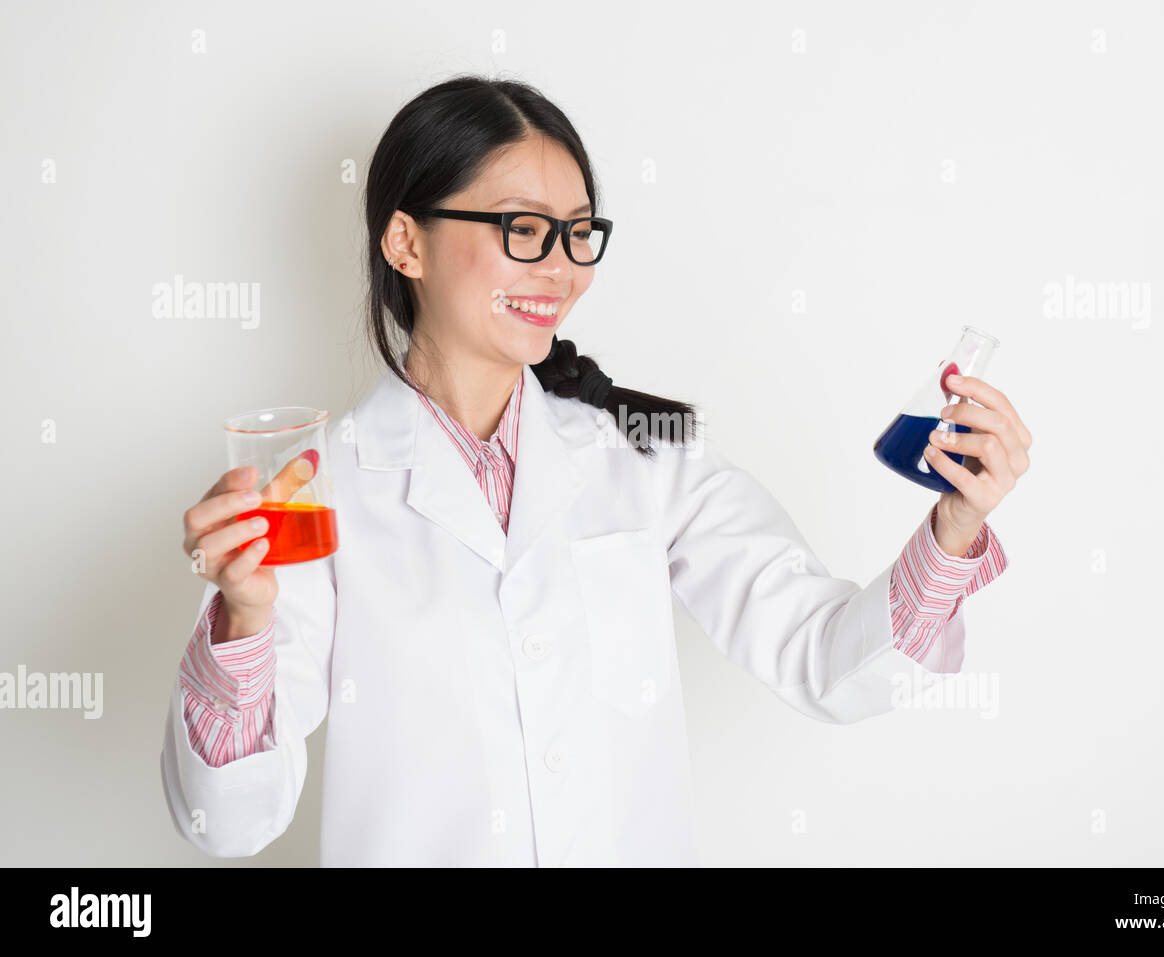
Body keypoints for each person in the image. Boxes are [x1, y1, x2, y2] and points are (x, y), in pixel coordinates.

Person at [162, 74, 1032, 867]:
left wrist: (953, 527)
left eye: (580, 234)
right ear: (405, 242)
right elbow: (228, 823)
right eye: (523, 229)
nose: (563, 268)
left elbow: (826, 662)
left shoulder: (645, 458)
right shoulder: (317, 493)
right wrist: (243, 614)